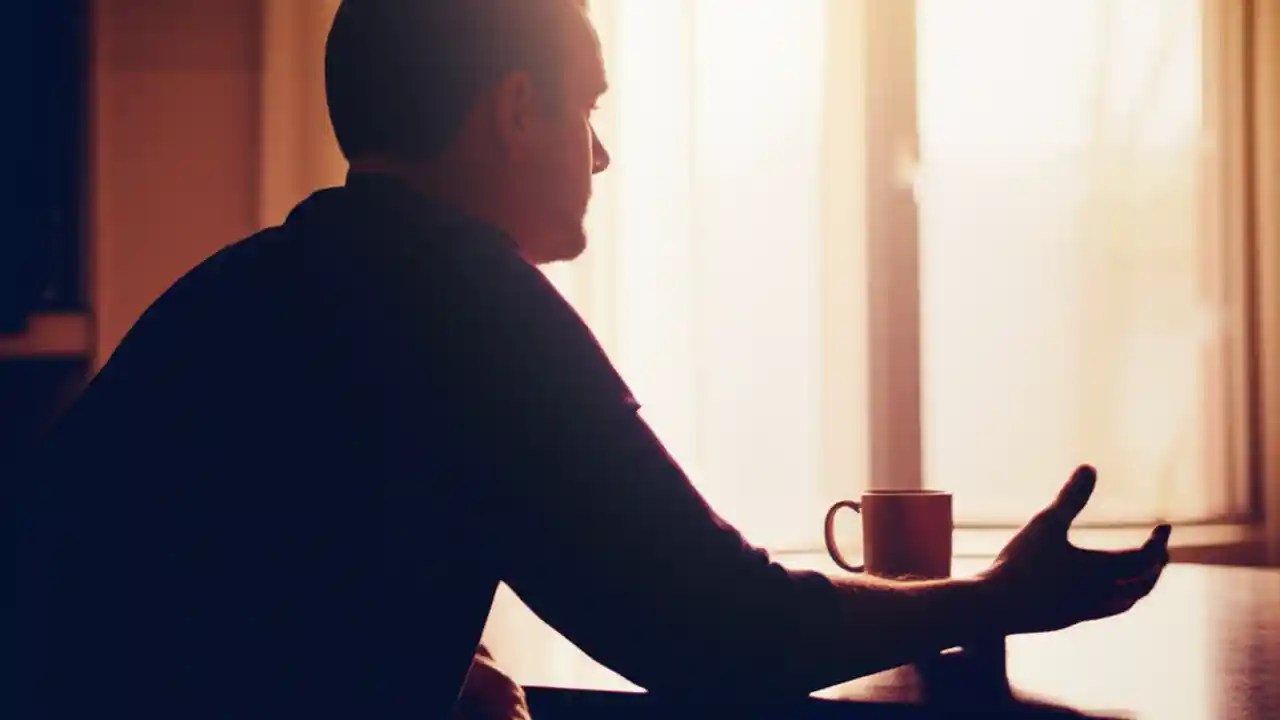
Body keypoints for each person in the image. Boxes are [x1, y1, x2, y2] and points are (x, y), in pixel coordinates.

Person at [15, 1, 1171, 717]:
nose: (603, 154)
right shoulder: (461, 300)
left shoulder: (249, 280)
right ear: (517, 108)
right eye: (587, 110)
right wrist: (996, 597)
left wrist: (427, 666)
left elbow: (188, 564)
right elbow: (717, 633)